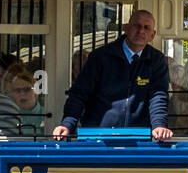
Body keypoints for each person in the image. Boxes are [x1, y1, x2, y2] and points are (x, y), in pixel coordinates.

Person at [52, 10, 172, 140]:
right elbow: (80, 93)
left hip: (137, 138)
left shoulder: (157, 60)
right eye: (136, 25)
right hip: (97, 137)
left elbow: (158, 95)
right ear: (126, 28)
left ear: (152, 35)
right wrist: (67, 124)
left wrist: (159, 126)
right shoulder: (100, 57)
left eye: (146, 27)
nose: (141, 31)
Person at [1, 61, 48, 138]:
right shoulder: (9, 116)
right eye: (18, 90)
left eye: (27, 89)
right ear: (13, 94)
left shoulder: (47, 114)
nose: (22, 93)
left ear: (36, 92)